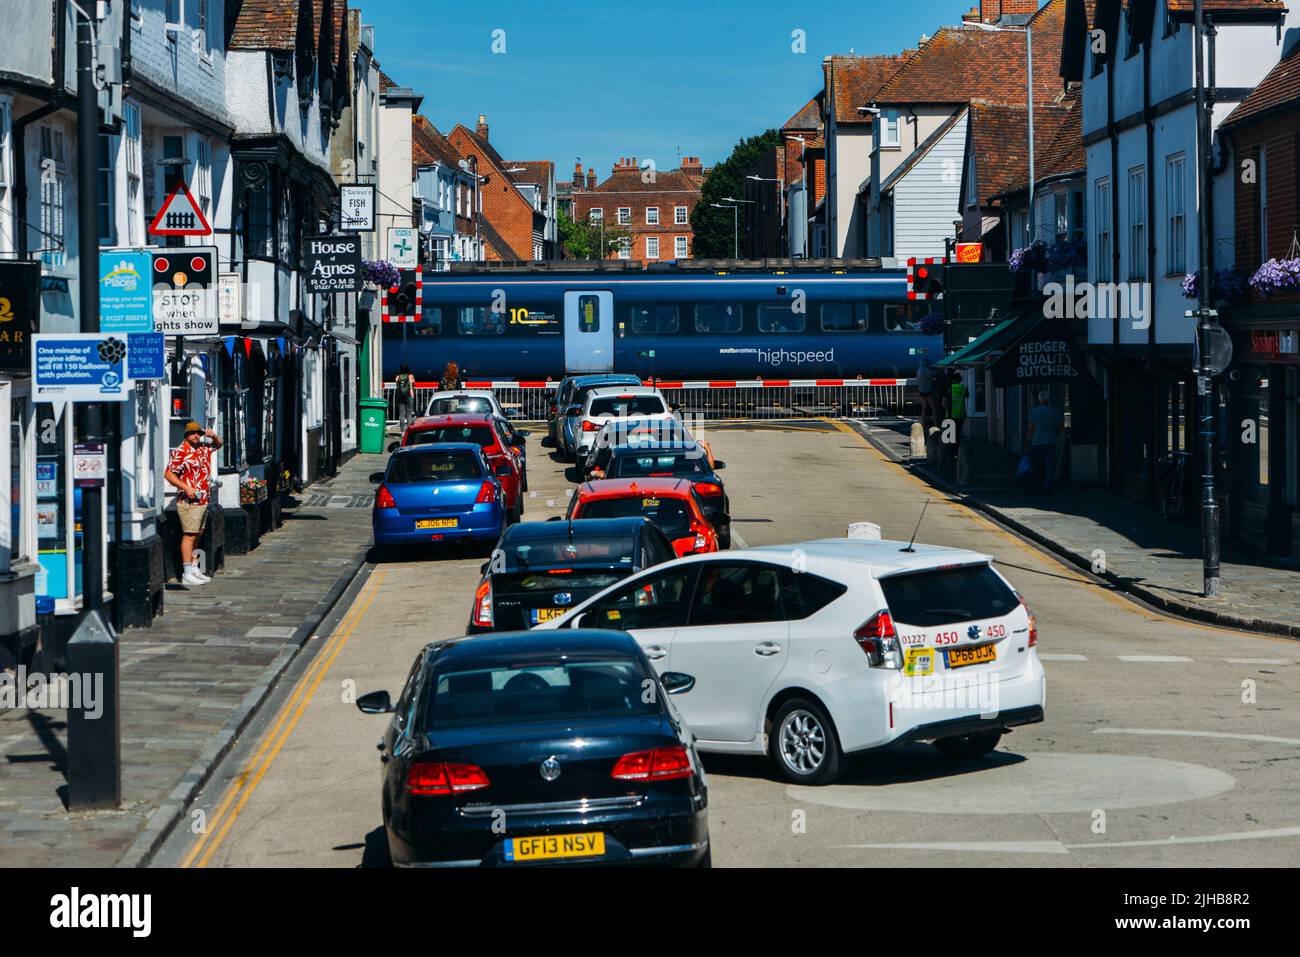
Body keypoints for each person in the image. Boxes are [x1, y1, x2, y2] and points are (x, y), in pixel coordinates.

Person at [165, 422, 223, 586]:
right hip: (189, 500)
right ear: (186, 435)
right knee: (189, 535)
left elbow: (219, 445)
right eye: (192, 433)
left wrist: (212, 436)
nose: (196, 436)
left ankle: (195, 567)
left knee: (198, 534)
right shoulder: (180, 451)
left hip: (203, 498)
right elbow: (169, 474)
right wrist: (185, 487)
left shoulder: (203, 447)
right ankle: (187, 572)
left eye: (198, 433)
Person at [1026, 390, 1062, 494]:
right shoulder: (1053, 412)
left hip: (1036, 443)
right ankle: (1048, 487)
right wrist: (1055, 435)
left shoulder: (1035, 412)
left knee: (1035, 466)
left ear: (1039, 400)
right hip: (1050, 442)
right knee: (1049, 466)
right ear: (1048, 400)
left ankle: (1034, 486)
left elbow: (1030, 429)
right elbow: (1059, 427)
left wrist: (1027, 443)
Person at [394, 364, 415, 435]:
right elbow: (413, 385)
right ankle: (409, 431)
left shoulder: (397, 377)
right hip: (409, 396)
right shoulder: (411, 376)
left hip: (400, 397)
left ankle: (402, 431)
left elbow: (397, 387)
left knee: (401, 415)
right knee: (409, 414)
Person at [916, 355, 936, 428]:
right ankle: (936, 423)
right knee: (933, 408)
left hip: (921, 390)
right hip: (928, 390)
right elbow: (933, 375)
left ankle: (923, 423)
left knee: (924, 407)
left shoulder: (919, 370)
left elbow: (917, 380)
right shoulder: (928, 370)